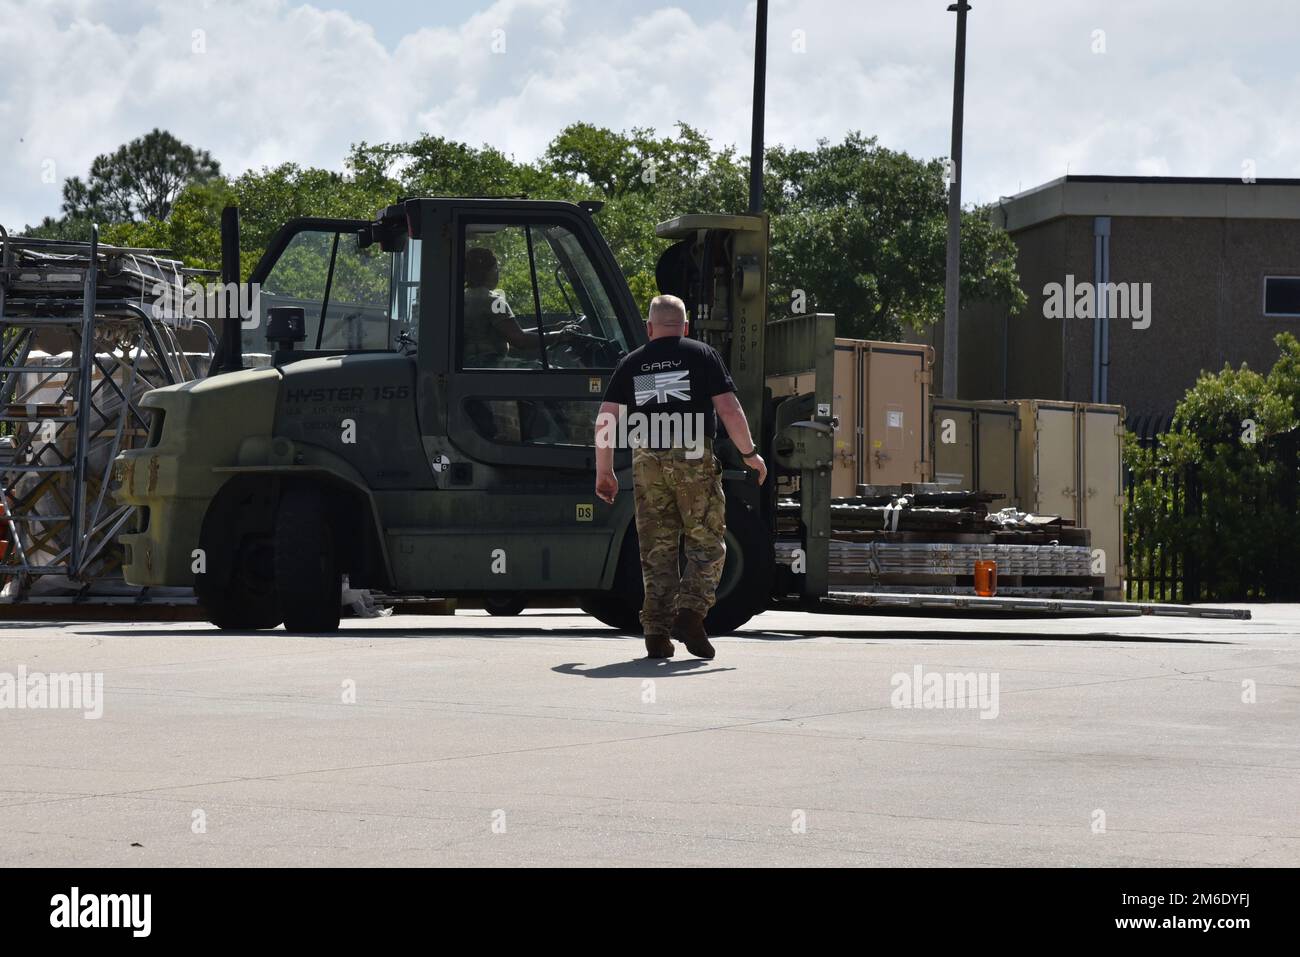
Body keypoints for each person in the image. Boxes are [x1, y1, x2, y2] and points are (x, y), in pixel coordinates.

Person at [594, 294, 767, 660]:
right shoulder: (701, 354)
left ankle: (656, 632)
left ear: (649, 328)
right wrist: (750, 454)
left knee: (657, 550)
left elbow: (606, 419)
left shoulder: (632, 363)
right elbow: (730, 410)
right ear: (686, 326)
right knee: (706, 543)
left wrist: (604, 471)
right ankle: (690, 612)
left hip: (647, 462)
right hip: (691, 455)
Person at [462, 246, 577, 367]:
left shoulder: (465, 297)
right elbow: (520, 340)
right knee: (553, 373)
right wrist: (560, 336)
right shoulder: (493, 301)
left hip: (473, 364)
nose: (497, 273)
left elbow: (511, 333)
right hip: (490, 364)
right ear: (488, 272)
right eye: (496, 269)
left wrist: (551, 329)